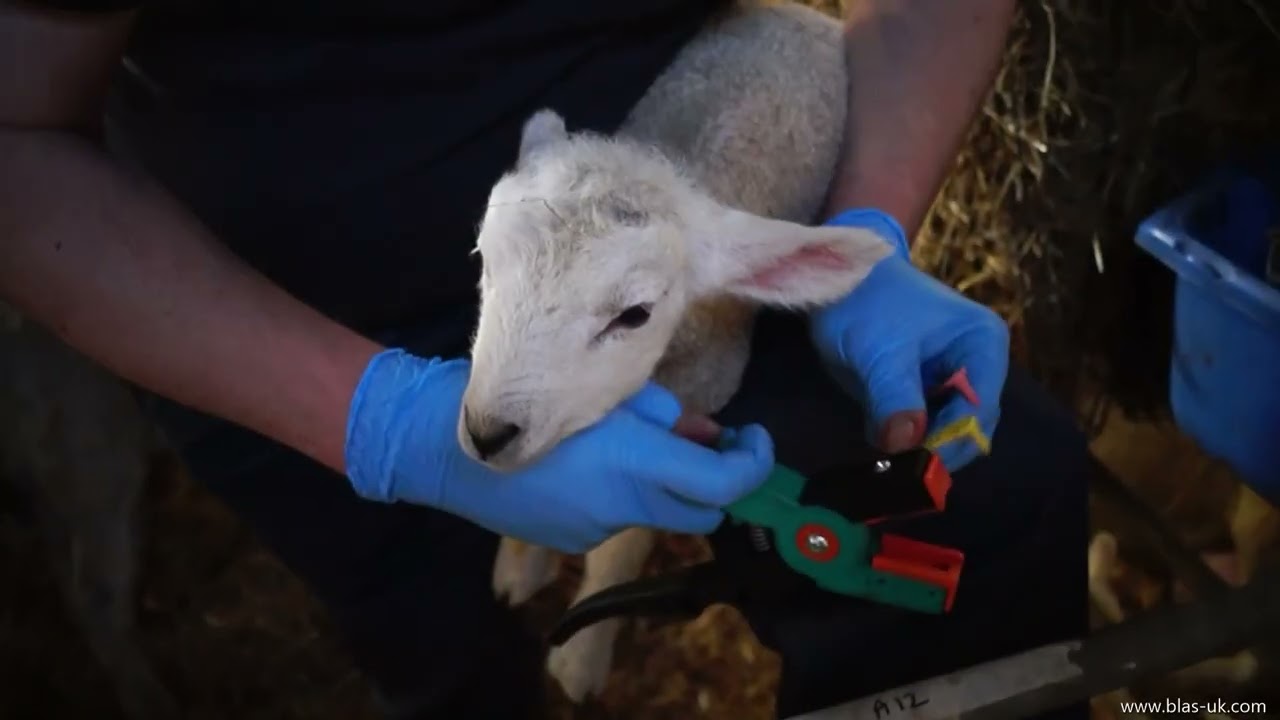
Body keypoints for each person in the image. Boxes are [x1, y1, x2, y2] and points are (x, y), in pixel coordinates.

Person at [0, 0, 1089, 718]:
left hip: (665, 221)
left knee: (987, 512)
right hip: (266, 298)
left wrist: (868, 228)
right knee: (445, 656)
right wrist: (382, 423)